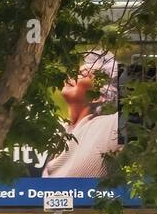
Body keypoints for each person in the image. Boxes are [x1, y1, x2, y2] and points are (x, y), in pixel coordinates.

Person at [41, 51, 119, 179]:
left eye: (82, 74)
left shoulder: (107, 128)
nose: (72, 76)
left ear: (97, 97)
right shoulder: (60, 131)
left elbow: (149, 99)